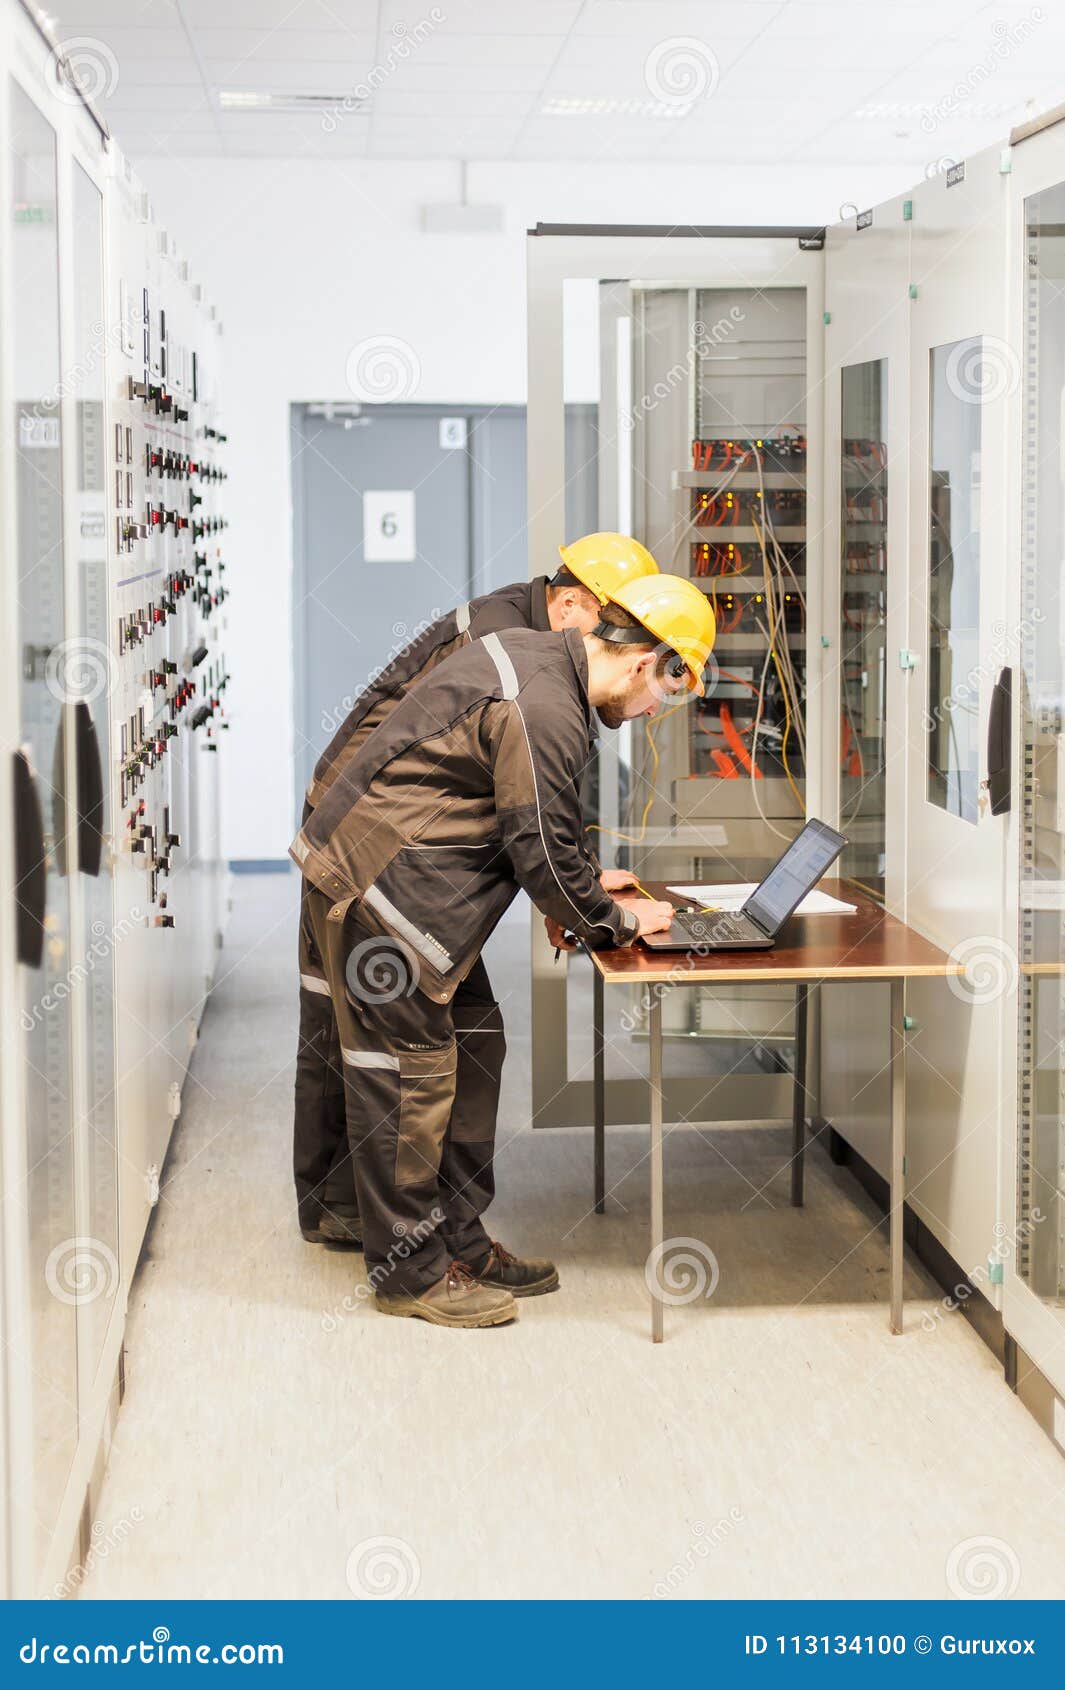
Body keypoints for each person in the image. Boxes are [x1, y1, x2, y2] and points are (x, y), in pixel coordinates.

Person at [290, 573, 716, 1328]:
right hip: (384, 892)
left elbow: (532, 819)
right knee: (410, 1075)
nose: (654, 713)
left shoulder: (538, 660)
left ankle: (458, 1236)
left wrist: (579, 888)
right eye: (665, 694)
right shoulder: (545, 702)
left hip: (413, 887)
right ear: (645, 660)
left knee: (475, 1041)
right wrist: (612, 920)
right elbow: (540, 848)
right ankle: (410, 1273)